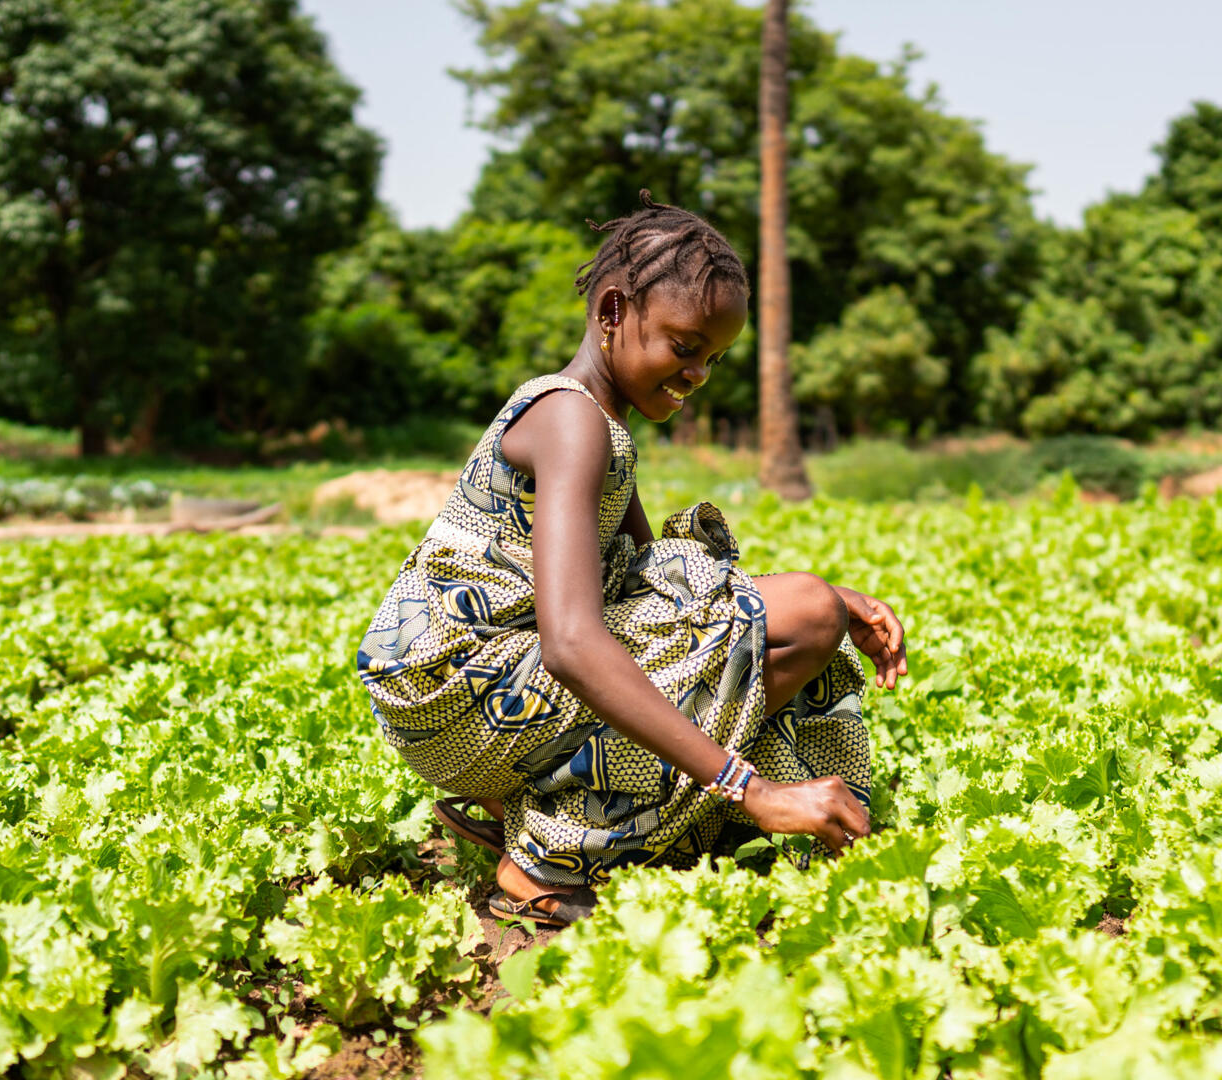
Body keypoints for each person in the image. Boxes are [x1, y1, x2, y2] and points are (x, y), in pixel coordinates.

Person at [356, 192, 908, 927]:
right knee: (800, 613)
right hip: (461, 686)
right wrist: (753, 791)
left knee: (803, 611)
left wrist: (837, 600)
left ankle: (555, 805)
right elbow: (574, 644)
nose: (699, 374)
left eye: (714, 358)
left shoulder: (597, 421)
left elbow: (666, 585)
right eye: (685, 348)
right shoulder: (571, 423)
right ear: (612, 312)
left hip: (473, 688)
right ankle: (545, 862)